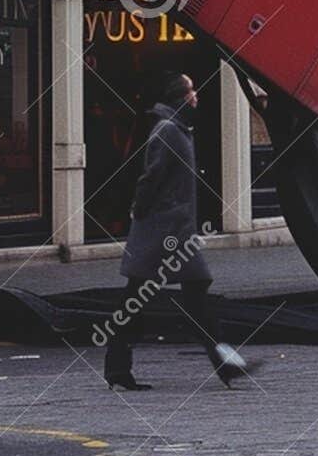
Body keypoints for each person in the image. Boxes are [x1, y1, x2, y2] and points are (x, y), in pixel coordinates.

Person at [103, 72, 257, 392]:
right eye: (192, 90)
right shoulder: (168, 131)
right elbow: (150, 177)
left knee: (178, 295)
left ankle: (223, 363)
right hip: (162, 232)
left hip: (175, 231)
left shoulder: (180, 129)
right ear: (181, 96)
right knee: (139, 298)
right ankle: (118, 367)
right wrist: (140, 211)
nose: (197, 95)